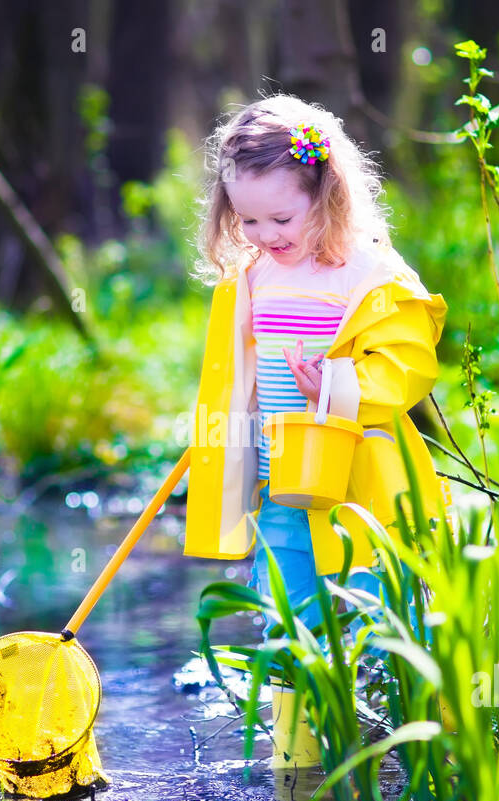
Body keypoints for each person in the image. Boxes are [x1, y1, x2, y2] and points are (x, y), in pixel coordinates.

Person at [182, 93, 452, 667]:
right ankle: (297, 747)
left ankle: (404, 735)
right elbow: (240, 374)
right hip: (280, 484)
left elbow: (408, 363)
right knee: (287, 622)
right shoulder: (250, 279)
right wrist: (223, 432)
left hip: (359, 487)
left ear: (326, 197)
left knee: (379, 615)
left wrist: (336, 385)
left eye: (281, 218)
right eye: (246, 219)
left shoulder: (369, 274)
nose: (264, 234)